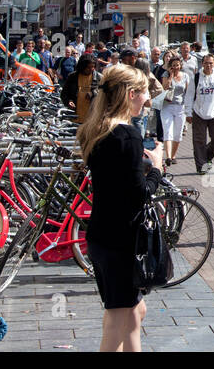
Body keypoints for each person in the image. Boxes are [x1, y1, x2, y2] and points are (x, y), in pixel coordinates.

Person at [76, 63, 164, 352]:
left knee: (134, 312)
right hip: (122, 240)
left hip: (101, 235)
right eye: (143, 93)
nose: (147, 99)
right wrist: (157, 170)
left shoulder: (97, 130)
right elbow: (140, 195)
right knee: (118, 317)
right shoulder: (127, 136)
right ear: (129, 94)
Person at [187, 53, 214, 174]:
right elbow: (189, 96)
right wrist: (188, 113)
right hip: (198, 112)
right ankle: (201, 166)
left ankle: (206, 157)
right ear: (202, 64)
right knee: (199, 141)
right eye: (206, 63)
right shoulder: (196, 78)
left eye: (211, 63)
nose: (208, 65)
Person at [159, 56, 189, 167]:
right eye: (173, 65)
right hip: (167, 106)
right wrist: (171, 76)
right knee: (168, 132)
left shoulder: (185, 76)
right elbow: (165, 88)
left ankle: (173, 155)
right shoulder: (166, 75)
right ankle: (167, 157)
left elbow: (187, 92)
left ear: (180, 65)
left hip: (180, 107)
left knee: (178, 134)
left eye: (177, 65)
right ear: (170, 66)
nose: (176, 67)